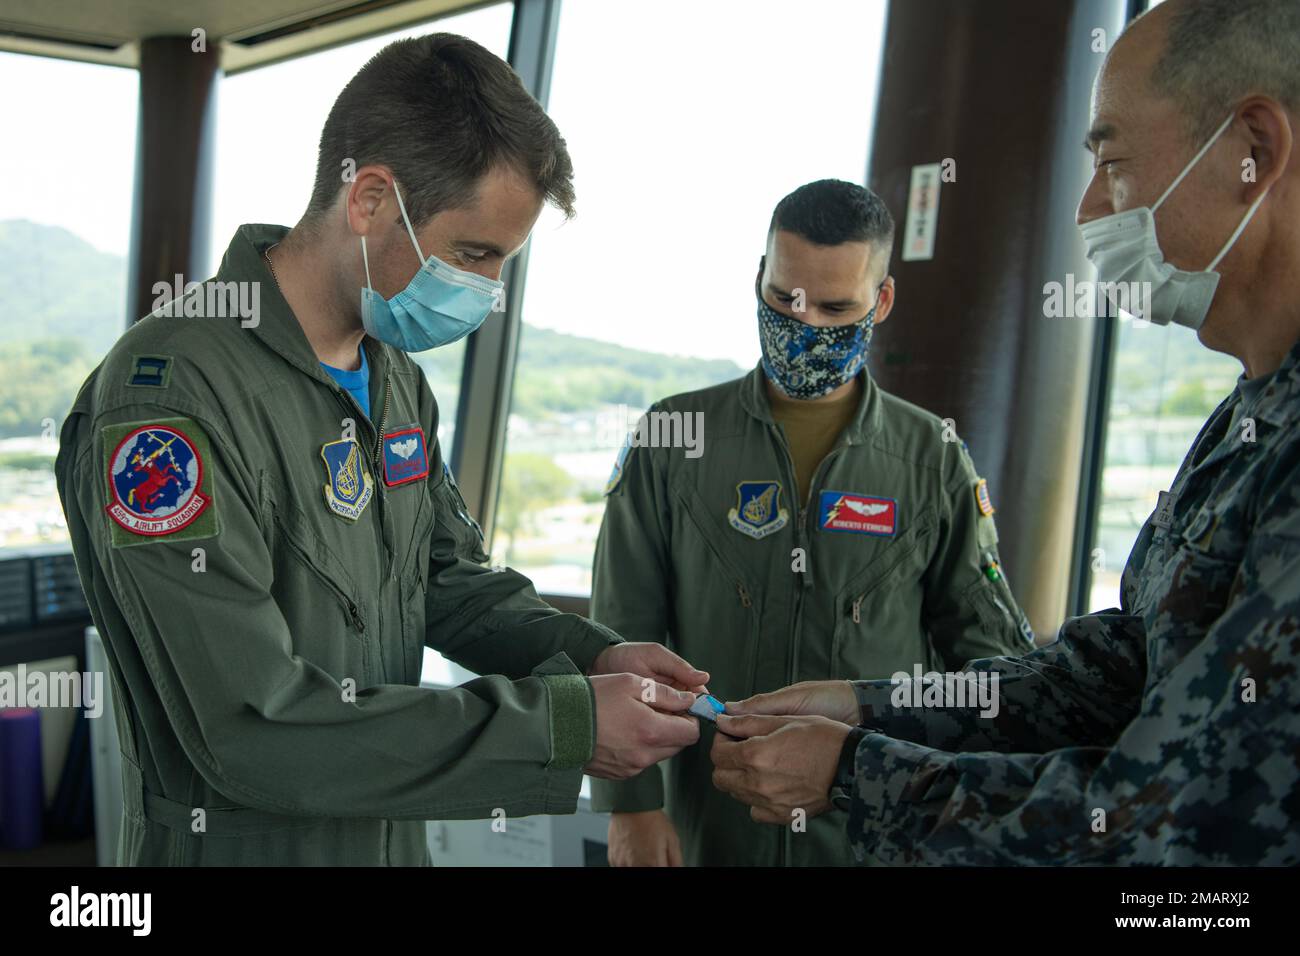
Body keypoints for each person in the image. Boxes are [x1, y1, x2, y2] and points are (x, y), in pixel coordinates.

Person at [55, 33, 706, 866]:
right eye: (474, 254)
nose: (487, 291)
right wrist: (565, 728)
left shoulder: (393, 377)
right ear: (368, 199)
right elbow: (250, 726)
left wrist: (595, 656)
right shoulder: (170, 400)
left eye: (502, 264)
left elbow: (446, 583)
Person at [711, 0, 1300, 865]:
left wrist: (854, 772)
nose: (1090, 207)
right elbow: (1113, 675)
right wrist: (869, 707)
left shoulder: (927, 453)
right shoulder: (1246, 418)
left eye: (1115, 163)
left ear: (1254, 149)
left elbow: (1173, 843)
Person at [589, 180, 1034, 866]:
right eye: (784, 298)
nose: (806, 325)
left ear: (880, 301)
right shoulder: (674, 438)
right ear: (759, 277)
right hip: (711, 825)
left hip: (871, 832)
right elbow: (622, 628)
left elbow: (987, 660)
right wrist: (633, 807)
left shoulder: (930, 460)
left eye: (836, 307)